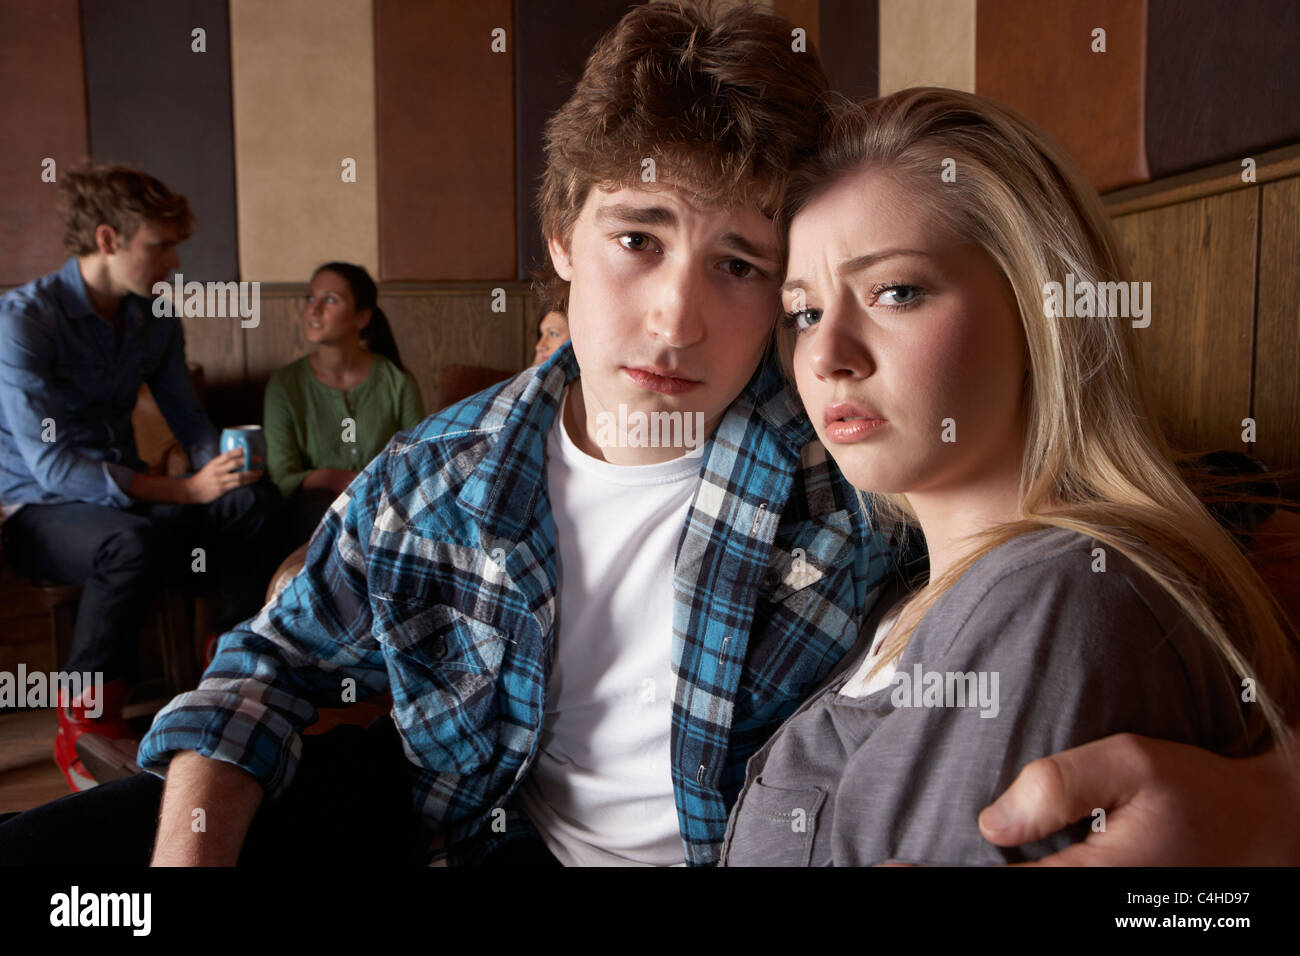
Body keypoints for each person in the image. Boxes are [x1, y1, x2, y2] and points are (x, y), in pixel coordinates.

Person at [1, 2, 1296, 867]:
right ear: (562, 241)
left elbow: (1140, 539)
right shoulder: (444, 474)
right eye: (638, 239)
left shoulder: (856, 442)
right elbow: (268, 660)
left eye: (744, 265)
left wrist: (1281, 799)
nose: (677, 314)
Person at [719, 88, 1300, 865]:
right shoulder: (913, 596)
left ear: (1040, 309)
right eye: (804, 313)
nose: (827, 358)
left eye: (896, 291)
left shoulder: (1055, 597)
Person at [0, 162, 282, 791]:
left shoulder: (153, 315)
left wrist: (225, 465)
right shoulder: (23, 321)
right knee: (128, 543)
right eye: (160, 246)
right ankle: (85, 728)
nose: (174, 262)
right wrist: (184, 490)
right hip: (39, 511)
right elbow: (52, 465)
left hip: (133, 503)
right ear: (108, 240)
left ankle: (229, 677)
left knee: (253, 504)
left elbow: (188, 419)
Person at [264, 261, 424, 548]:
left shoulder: (397, 380)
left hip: (385, 508)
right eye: (311, 298)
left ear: (362, 318)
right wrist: (332, 478)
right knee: (318, 510)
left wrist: (367, 486)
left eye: (330, 300)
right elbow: (282, 477)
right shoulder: (285, 385)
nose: (314, 309)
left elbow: (417, 462)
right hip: (311, 517)